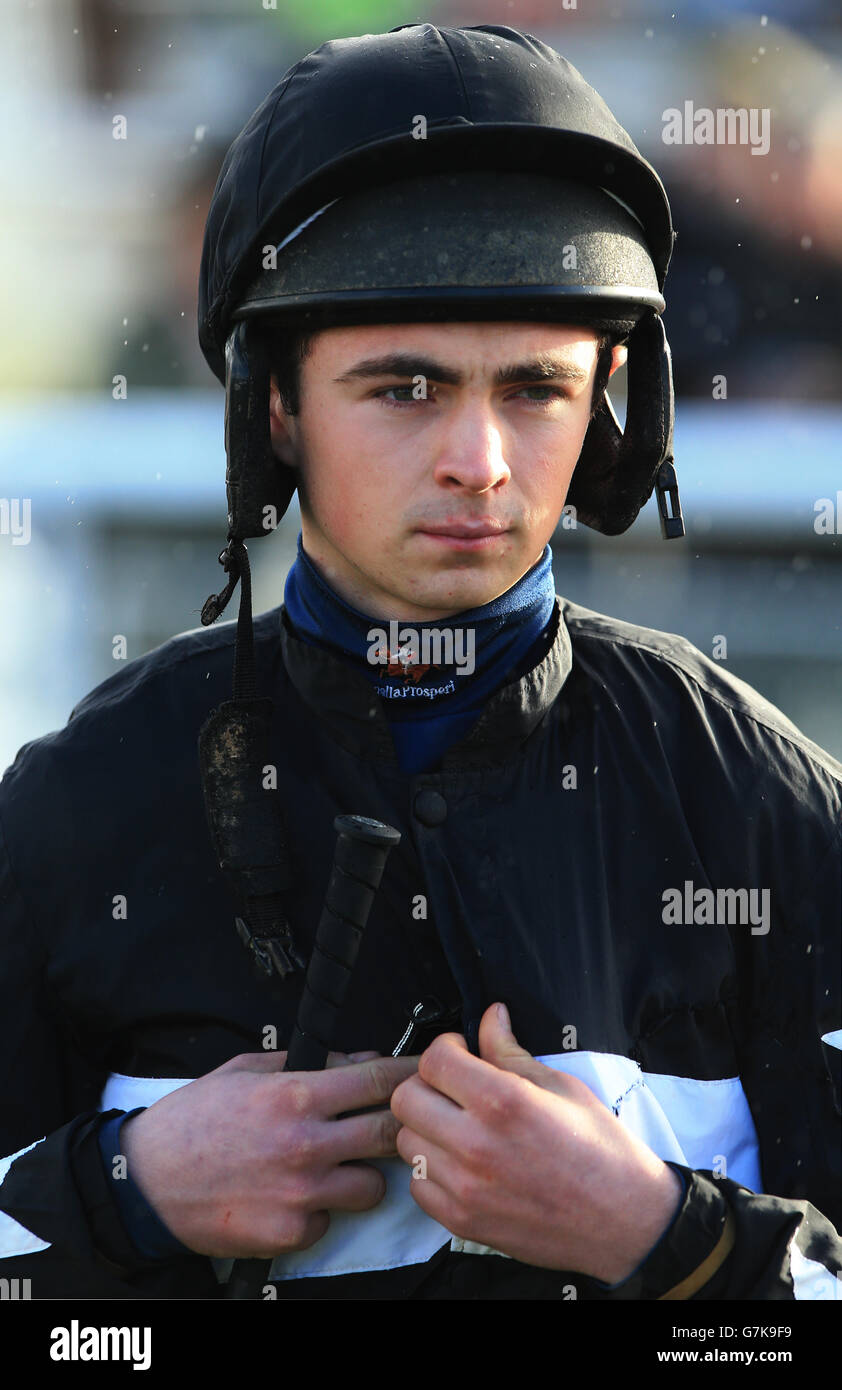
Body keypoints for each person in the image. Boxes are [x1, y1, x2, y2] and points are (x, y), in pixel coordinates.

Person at [0, 23, 839, 1303]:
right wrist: (122, 1191)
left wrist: (669, 1240)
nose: (480, 462)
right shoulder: (71, 813)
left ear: (611, 403)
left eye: (536, 390)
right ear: (272, 406)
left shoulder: (770, 814)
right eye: (403, 388)